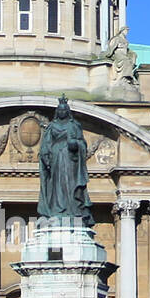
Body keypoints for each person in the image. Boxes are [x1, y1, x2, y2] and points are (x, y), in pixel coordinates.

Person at [37, 96, 93, 225]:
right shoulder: (52, 126)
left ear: (67, 111)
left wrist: (76, 145)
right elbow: (45, 144)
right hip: (55, 159)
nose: (62, 112)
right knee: (56, 186)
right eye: (60, 110)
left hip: (70, 159)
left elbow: (82, 143)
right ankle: (57, 209)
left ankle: (72, 211)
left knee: (70, 184)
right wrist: (46, 156)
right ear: (57, 112)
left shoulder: (74, 126)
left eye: (64, 110)